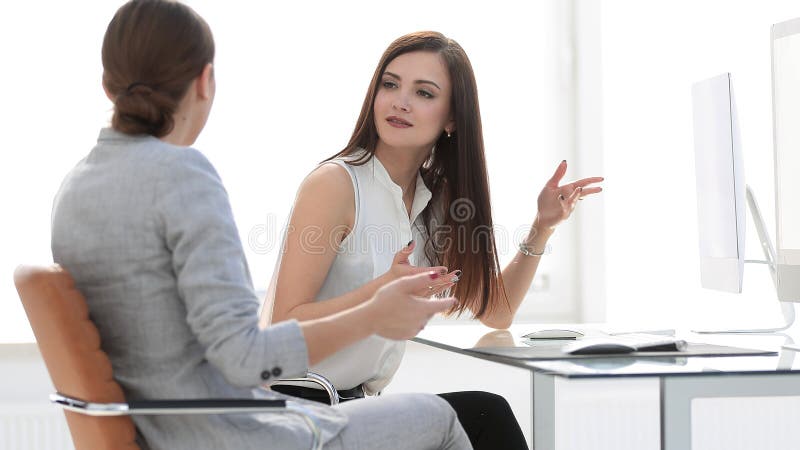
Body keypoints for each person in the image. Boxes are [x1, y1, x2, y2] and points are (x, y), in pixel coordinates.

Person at [50, 2, 472, 449]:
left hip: (163, 430)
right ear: (204, 82)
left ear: (106, 85)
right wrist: (374, 313)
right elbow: (247, 357)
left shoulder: (75, 187)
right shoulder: (184, 177)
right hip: (223, 435)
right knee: (441, 418)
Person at [265, 31, 604, 449]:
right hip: (293, 409)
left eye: (423, 92)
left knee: (481, 414)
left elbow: (495, 311)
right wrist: (378, 293)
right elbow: (284, 324)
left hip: (354, 408)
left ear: (452, 119)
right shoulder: (335, 183)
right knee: (484, 414)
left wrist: (543, 226)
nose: (399, 101)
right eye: (390, 85)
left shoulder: (437, 200)